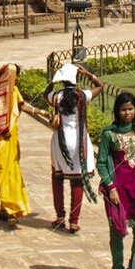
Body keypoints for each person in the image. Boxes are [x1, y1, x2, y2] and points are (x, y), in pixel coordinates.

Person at [98, 91, 135, 269]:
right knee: (117, 232)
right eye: (123, 109)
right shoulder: (108, 134)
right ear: (117, 111)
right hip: (117, 189)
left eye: (130, 109)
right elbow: (102, 163)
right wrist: (111, 188)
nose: (127, 113)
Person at [42, 60, 102, 232]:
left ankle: (60, 217)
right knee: (77, 180)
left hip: (60, 140)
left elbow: (45, 93)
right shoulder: (82, 95)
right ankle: (74, 220)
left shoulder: (56, 96)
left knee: (58, 178)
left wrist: (53, 80)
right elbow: (100, 85)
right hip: (80, 140)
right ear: (76, 79)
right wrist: (88, 74)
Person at [0, 63, 43, 226]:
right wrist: (2, 128)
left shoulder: (13, 91)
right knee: (4, 172)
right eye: (16, 76)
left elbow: (22, 106)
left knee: (12, 173)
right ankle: (11, 210)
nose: (18, 79)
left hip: (13, 139)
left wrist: (41, 112)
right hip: (2, 139)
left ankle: (4, 208)